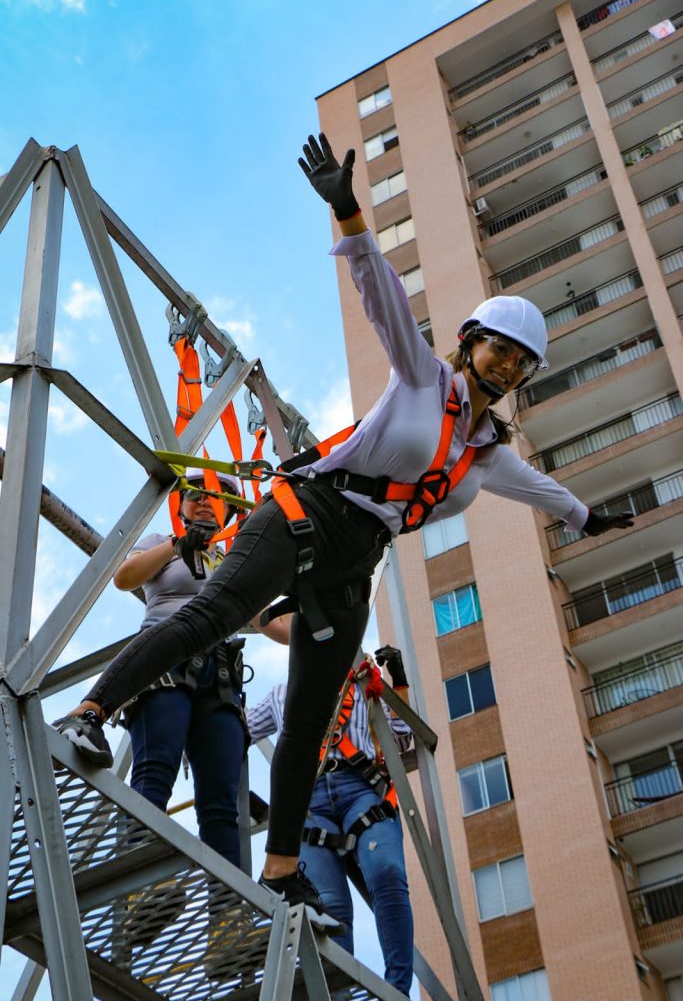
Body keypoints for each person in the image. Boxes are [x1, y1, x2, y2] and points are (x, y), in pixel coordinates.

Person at [55, 132, 632, 934]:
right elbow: (380, 290)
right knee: (211, 615)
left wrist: (584, 516)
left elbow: (536, 486)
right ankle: (88, 711)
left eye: (517, 364)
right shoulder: (419, 379)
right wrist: (346, 209)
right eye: (496, 349)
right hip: (305, 515)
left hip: (354, 559)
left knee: (313, 707)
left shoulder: (486, 454)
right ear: (468, 343)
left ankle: (284, 868)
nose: (503, 366)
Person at [108, 468, 251, 965]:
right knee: (155, 771)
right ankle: (139, 888)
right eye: (197, 497)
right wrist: (177, 544)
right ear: (183, 505)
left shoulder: (235, 559)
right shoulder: (164, 543)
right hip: (164, 662)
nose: (208, 504)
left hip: (219, 678)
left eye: (219, 498)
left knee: (219, 807)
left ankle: (228, 923)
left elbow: (271, 623)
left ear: (232, 511)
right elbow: (124, 577)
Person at [247, 636, 415, 997]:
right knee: (328, 908)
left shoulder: (358, 682)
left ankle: (397, 989)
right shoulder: (282, 694)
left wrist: (395, 683)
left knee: (386, 872)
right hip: (309, 805)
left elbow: (402, 739)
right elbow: (239, 731)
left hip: (361, 790)